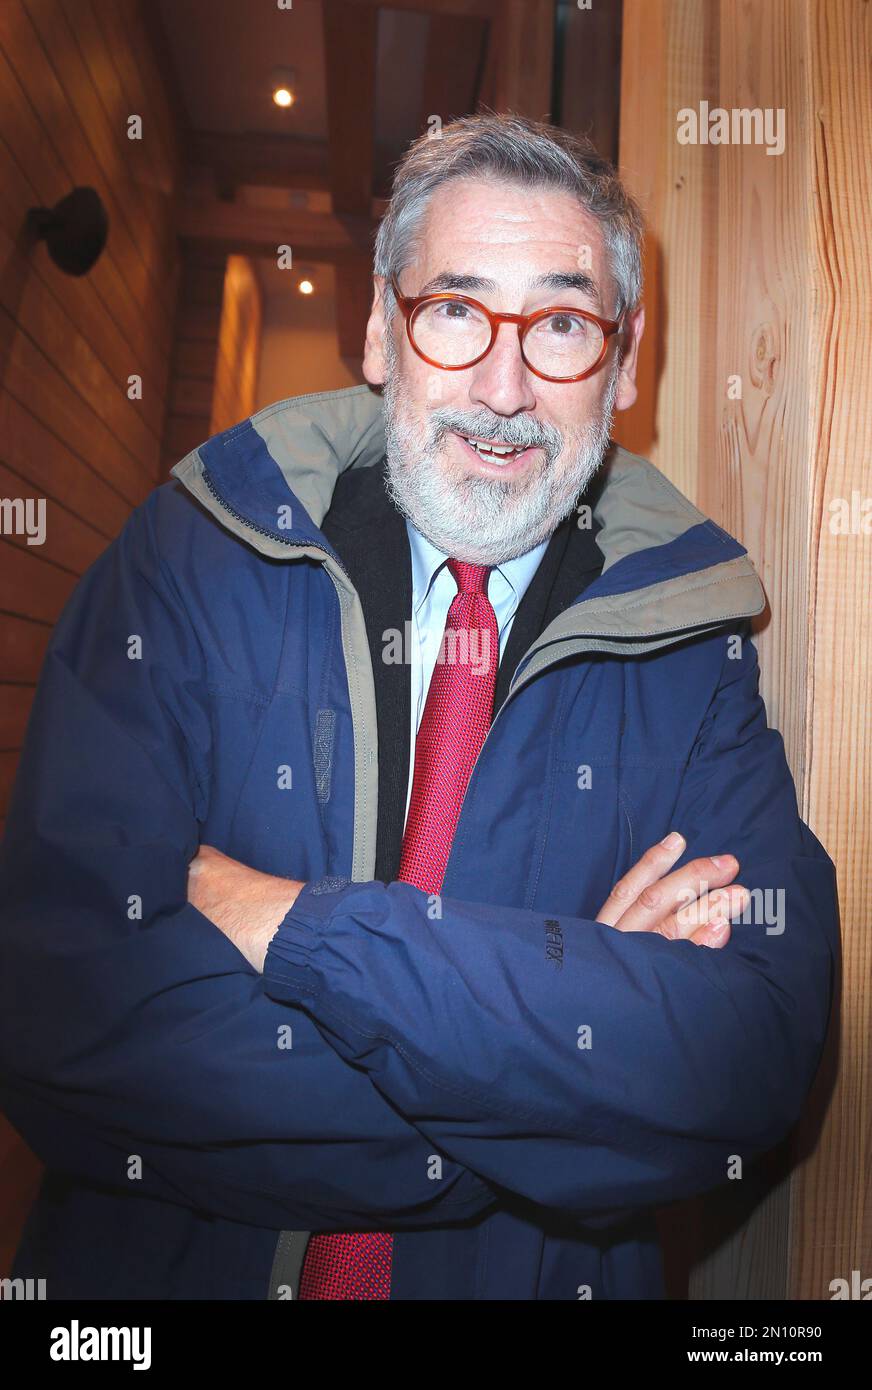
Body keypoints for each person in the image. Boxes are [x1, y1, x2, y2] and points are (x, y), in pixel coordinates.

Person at [0, 114, 838, 1301]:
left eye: (559, 323)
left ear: (626, 358)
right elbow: (58, 1010)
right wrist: (551, 1077)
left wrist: (292, 924)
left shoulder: (690, 638)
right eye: (454, 309)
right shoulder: (190, 557)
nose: (501, 389)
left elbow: (746, 1059)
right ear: (379, 330)